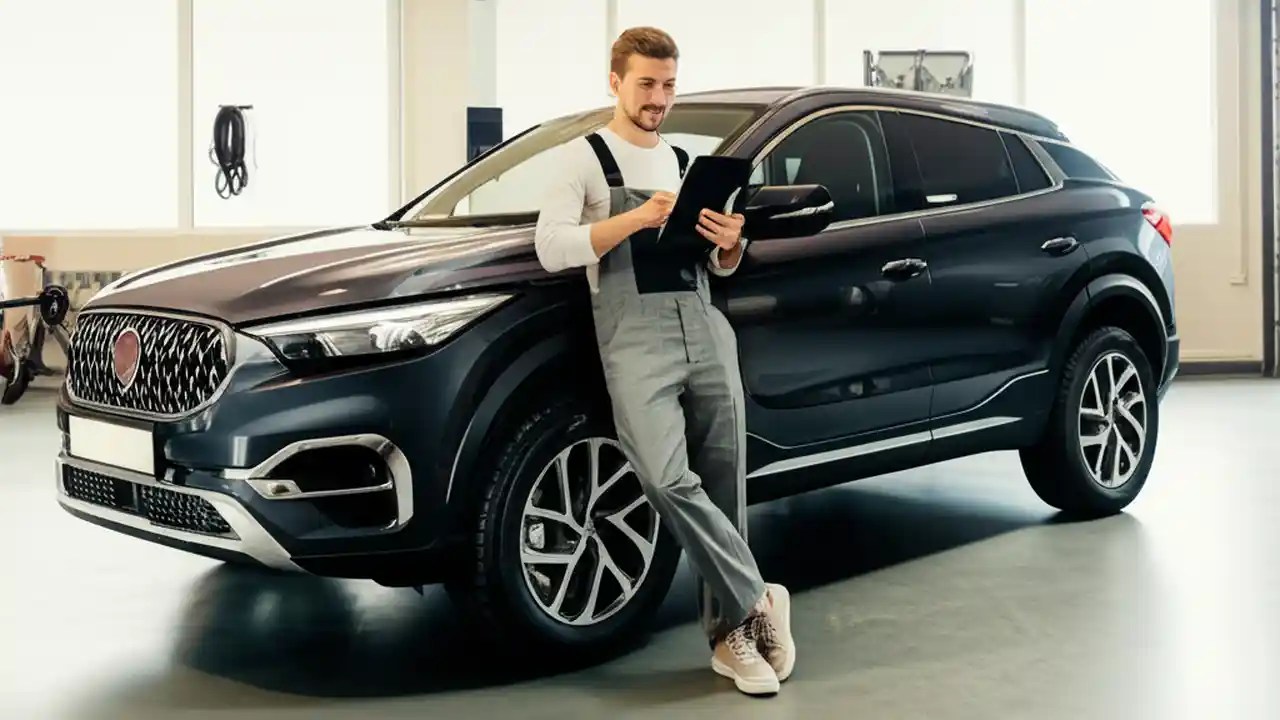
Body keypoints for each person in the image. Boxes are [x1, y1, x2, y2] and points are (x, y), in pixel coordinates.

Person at [533, 26, 795, 696]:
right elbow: (552, 247)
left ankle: (730, 639)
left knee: (723, 479)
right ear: (615, 81)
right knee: (665, 478)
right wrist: (634, 220)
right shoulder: (583, 159)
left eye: (669, 84)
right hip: (634, 337)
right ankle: (759, 596)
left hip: (704, 324)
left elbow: (717, 263)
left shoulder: (686, 161)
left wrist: (730, 242)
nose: (659, 97)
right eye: (647, 83)